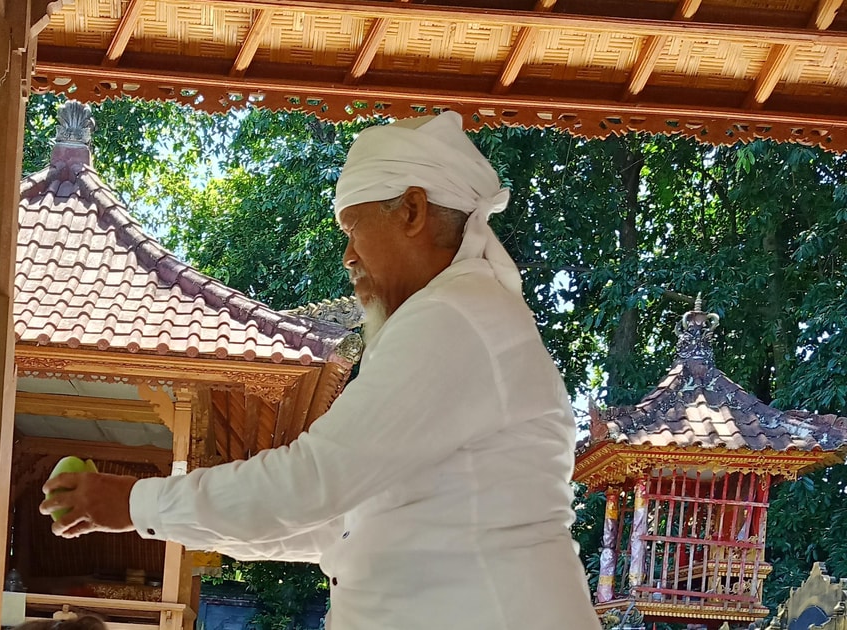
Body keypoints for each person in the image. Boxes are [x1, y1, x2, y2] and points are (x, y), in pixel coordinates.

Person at [40, 112, 602, 629]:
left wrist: (134, 502)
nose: (348, 257)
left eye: (353, 229)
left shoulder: (454, 317)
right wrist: (152, 514)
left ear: (412, 211)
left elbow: (311, 484)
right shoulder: (456, 316)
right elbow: (338, 524)